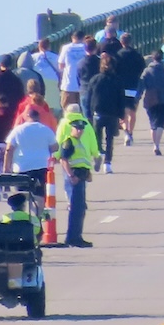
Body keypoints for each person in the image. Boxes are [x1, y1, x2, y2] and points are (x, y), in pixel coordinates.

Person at [55, 106, 101, 248]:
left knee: (79, 207)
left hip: (81, 173)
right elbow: (64, 158)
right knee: (76, 207)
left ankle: (76, 236)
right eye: (78, 129)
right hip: (74, 174)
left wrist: (88, 172)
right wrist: (70, 175)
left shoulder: (66, 125)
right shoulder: (70, 140)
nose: (80, 131)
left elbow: (81, 157)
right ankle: (73, 237)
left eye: (81, 129)